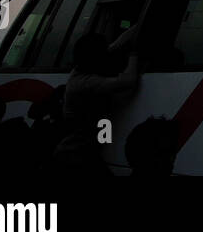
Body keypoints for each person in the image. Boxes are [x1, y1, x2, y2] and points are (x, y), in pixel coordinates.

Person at [51, 25, 141, 177]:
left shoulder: (81, 70)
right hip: (75, 153)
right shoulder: (84, 82)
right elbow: (128, 81)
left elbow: (115, 46)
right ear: (95, 57)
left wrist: (138, 28)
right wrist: (135, 54)